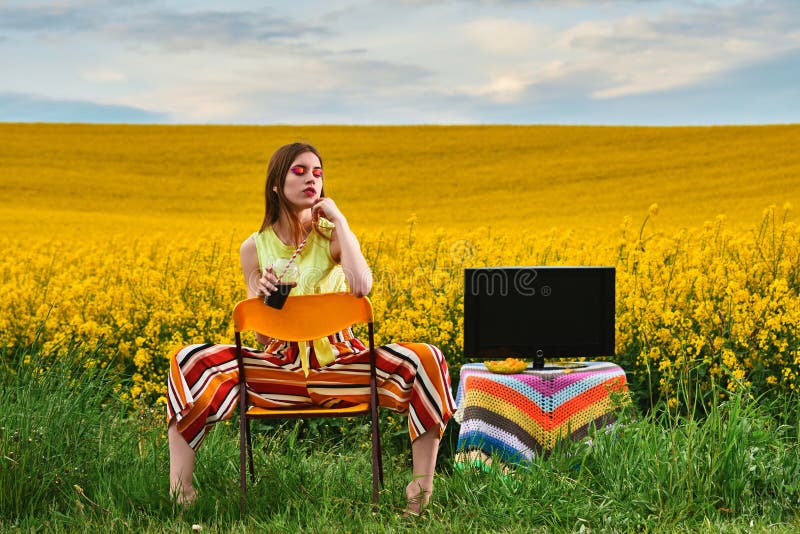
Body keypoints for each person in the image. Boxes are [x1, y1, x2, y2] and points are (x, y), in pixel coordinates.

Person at [166, 142, 457, 515]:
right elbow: (262, 340)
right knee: (187, 359)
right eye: (299, 171)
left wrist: (342, 222)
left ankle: (419, 495)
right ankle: (182, 493)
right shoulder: (253, 248)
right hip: (279, 374)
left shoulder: (332, 236)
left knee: (427, 357)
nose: (311, 179)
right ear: (276, 184)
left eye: (317, 173)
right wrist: (265, 300)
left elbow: (361, 286)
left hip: (343, 369)